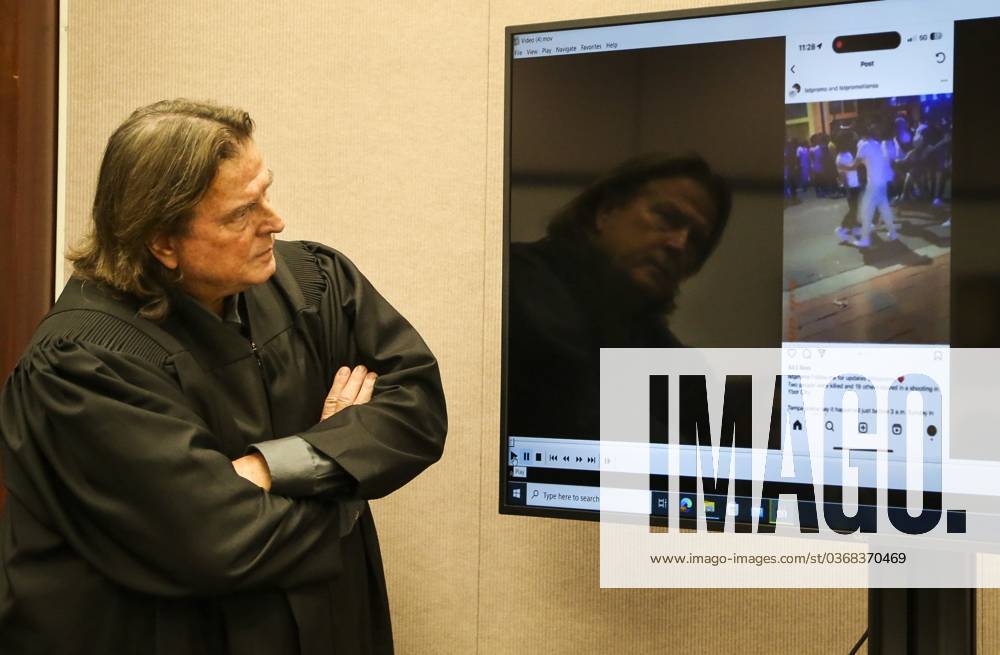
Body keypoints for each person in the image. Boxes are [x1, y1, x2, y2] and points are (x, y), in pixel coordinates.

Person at [0, 99, 448, 654]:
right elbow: (218, 542)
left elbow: (417, 407)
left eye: (265, 192)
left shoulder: (313, 282)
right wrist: (348, 468)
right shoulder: (81, 365)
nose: (275, 222)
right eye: (241, 213)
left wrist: (275, 465)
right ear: (162, 242)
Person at [507, 154, 731, 439]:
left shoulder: (657, 345)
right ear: (605, 211)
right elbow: (571, 406)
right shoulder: (519, 280)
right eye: (667, 218)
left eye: (696, 240)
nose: (678, 244)